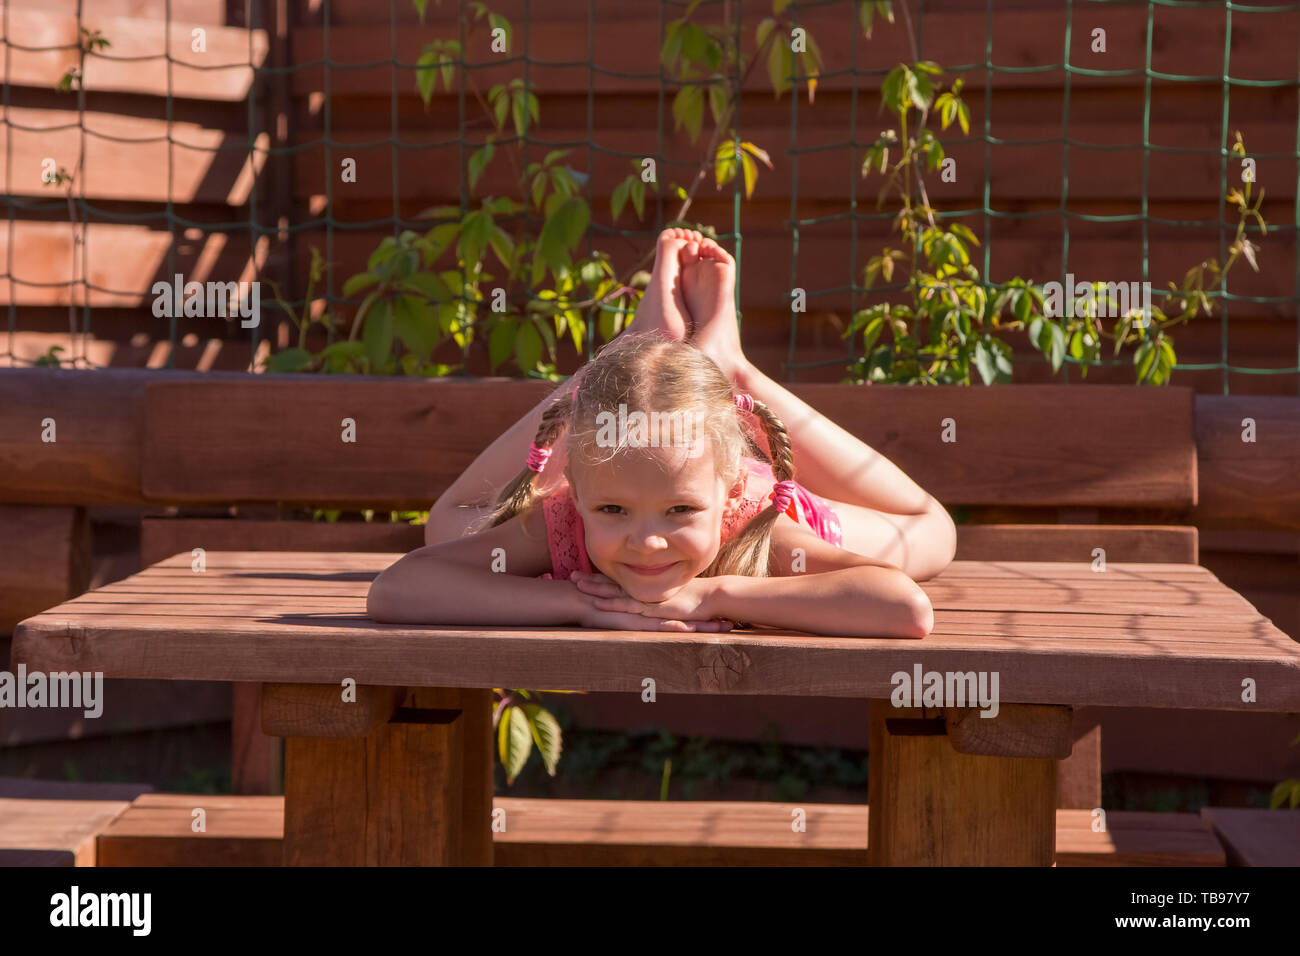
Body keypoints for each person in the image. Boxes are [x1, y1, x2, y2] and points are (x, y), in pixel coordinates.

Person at [367, 229, 955, 637]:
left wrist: (716, 593)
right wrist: (576, 604)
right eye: (615, 510)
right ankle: (630, 353)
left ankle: (731, 365)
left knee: (934, 534)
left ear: (724, 491)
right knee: (451, 525)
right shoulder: (568, 519)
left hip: (777, 505)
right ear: (572, 482)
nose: (648, 542)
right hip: (648, 458)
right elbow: (396, 590)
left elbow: (906, 607)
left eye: (679, 510)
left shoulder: (749, 521)